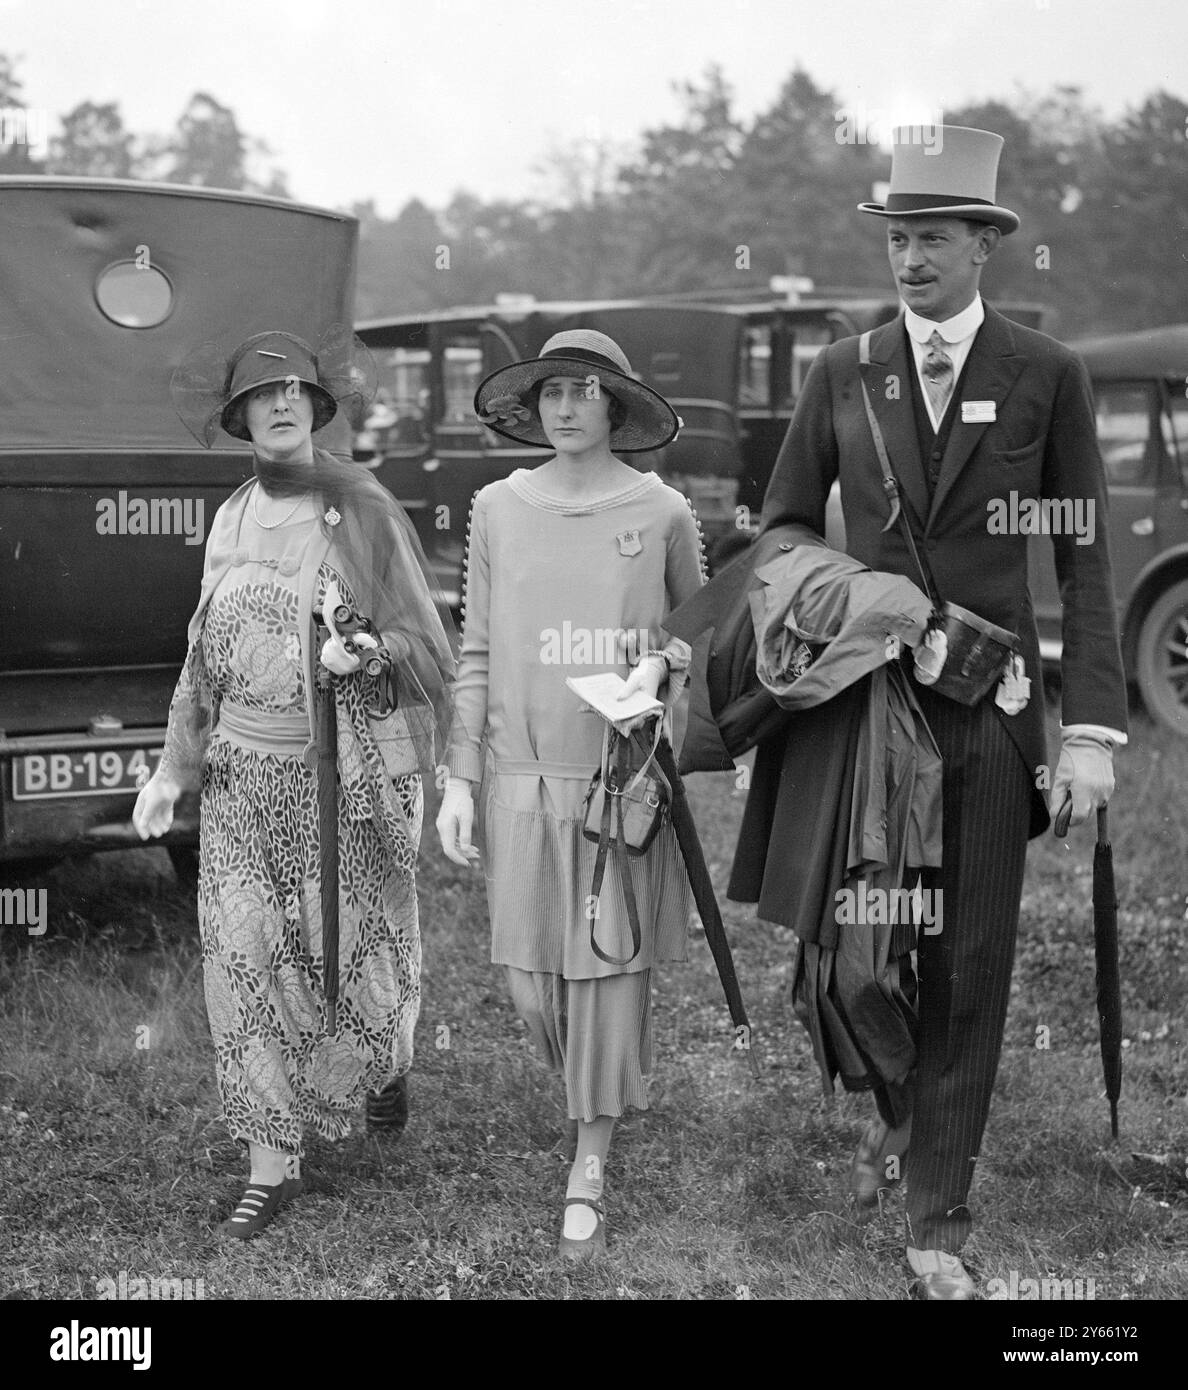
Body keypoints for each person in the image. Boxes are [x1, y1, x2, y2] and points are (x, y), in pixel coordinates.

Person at [742, 127, 1128, 1298]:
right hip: (867, 713)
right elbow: (780, 530)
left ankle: (936, 1211)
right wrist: (866, 598)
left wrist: (1096, 733)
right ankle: (903, 1110)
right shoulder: (844, 370)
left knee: (968, 957)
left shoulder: (1045, 371)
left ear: (984, 248)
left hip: (994, 717)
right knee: (861, 952)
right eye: (899, 238)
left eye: (934, 239)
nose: (910, 259)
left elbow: (1088, 560)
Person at [133, 328, 455, 1238]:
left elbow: (425, 648)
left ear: (319, 407)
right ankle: (272, 1163)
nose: (279, 404)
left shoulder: (359, 507)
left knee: (353, 959)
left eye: (295, 392)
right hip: (240, 787)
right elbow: (203, 651)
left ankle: (384, 1066)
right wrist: (172, 767)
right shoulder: (232, 514)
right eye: (261, 394)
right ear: (239, 415)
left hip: (335, 784)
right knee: (241, 965)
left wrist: (363, 650)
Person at [435, 329, 704, 1260]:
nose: (566, 404)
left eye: (586, 389)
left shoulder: (664, 510)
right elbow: (474, 651)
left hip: (619, 781)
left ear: (617, 405)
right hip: (520, 775)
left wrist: (663, 667)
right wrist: (459, 777)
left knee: (607, 970)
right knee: (526, 985)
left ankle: (590, 1156)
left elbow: (693, 635)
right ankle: (599, 1083)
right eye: (552, 389)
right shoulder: (495, 510)